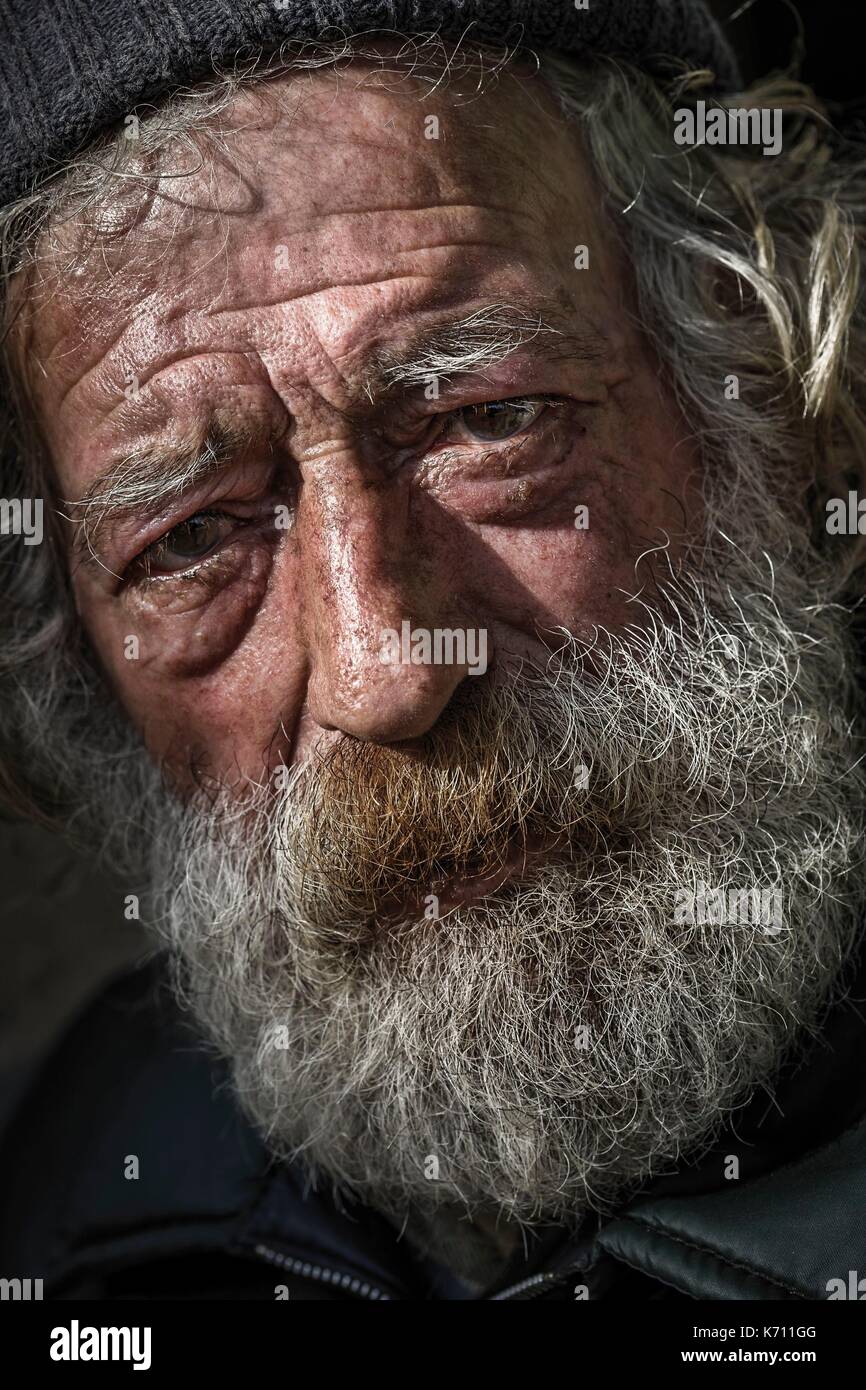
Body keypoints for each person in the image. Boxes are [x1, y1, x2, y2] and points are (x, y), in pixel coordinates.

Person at [0, 0, 864, 1300]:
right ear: (77, 663)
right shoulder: (57, 1209)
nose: (387, 669)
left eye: (488, 418)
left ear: (774, 398)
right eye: (190, 539)